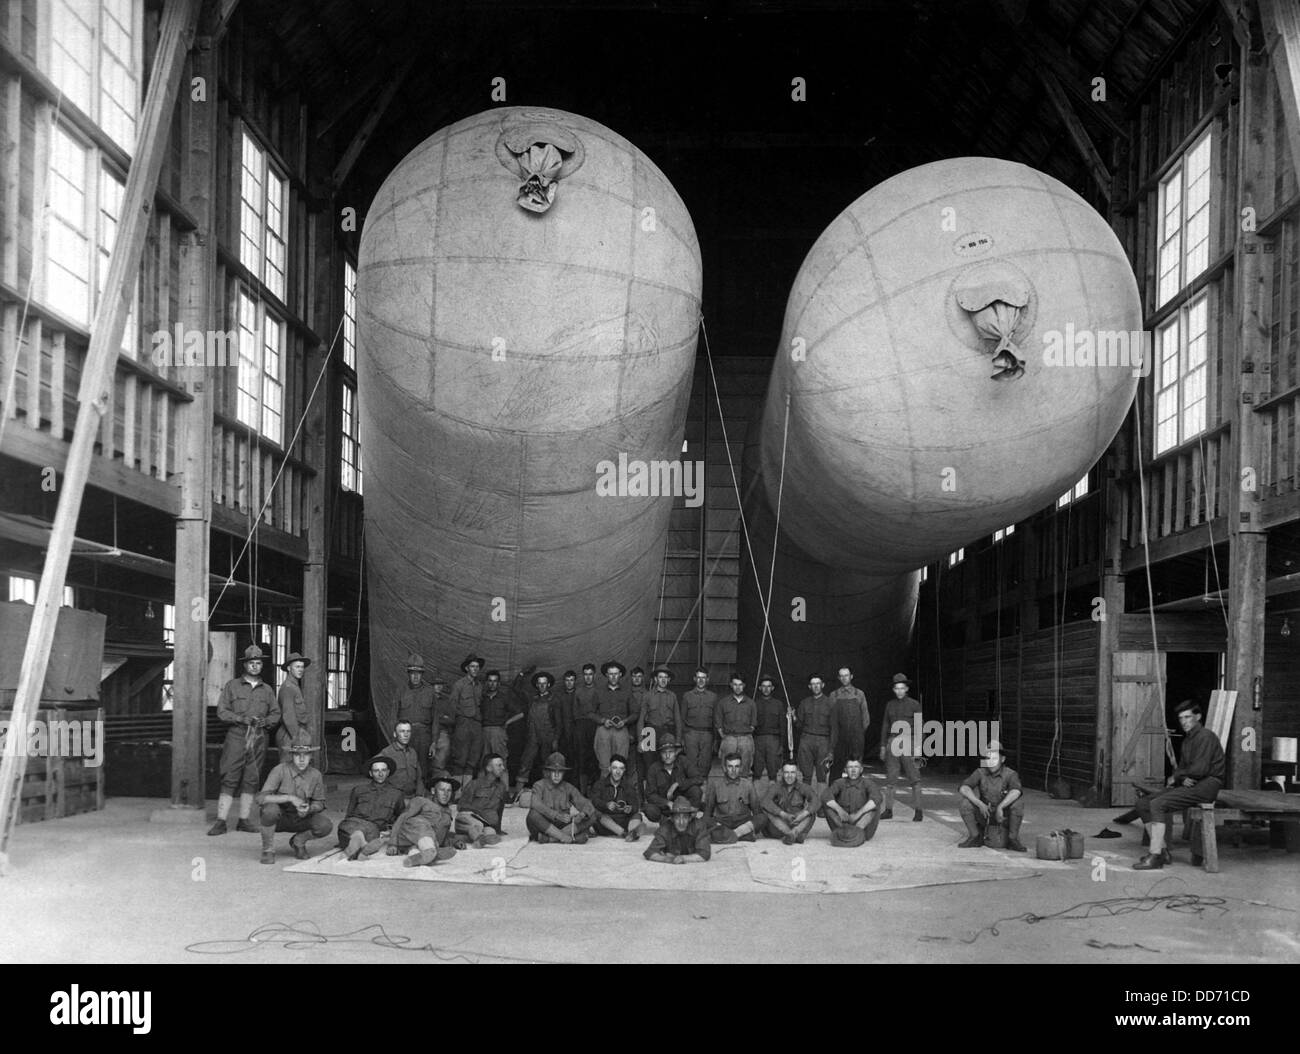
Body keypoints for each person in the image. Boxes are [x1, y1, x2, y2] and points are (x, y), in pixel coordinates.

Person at [1133, 700, 1225, 870]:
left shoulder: (1205, 736)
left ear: (1198, 717)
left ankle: (1155, 856)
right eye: (1181, 718)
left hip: (1207, 786)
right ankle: (1163, 850)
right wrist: (1182, 778)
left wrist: (1180, 776)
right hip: (1194, 784)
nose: (1184, 721)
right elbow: (1185, 770)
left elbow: (1199, 769)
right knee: (1142, 804)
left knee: (1157, 804)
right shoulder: (1188, 740)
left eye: (1188, 717)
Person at [209, 645, 281, 836]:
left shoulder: (267, 690)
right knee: (229, 774)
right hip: (237, 734)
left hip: (259, 736)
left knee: (252, 777)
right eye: (252, 663)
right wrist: (241, 719)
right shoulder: (232, 686)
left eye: (258, 663)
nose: (255, 666)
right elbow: (222, 711)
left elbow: (276, 713)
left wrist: (266, 722)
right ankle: (221, 821)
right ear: (245, 665)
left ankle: (244, 820)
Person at [255, 731, 332, 864]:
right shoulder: (280, 770)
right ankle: (268, 849)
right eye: (297, 755)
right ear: (291, 755)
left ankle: (299, 841)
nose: (302, 759)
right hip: (280, 817)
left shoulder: (315, 775)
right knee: (269, 810)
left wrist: (309, 809)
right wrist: (290, 798)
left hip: (301, 817)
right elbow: (260, 798)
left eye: (306, 755)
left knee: (325, 825)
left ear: (311, 756)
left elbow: (320, 802)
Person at [957, 743, 1026, 851]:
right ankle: (975, 836)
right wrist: (979, 803)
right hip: (986, 814)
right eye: (988, 758)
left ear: (1002, 759)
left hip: (1003, 816)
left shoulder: (1011, 774)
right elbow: (964, 788)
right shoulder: (980, 772)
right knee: (965, 803)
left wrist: (1001, 807)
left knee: (1018, 804)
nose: (991, 761)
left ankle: (1013, 839)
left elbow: (1016, 791)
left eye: (995, 758)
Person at [338, 755, 406, 860]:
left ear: (388, 772)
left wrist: (393, 841)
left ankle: (357, 846)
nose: (380, 774)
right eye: (376, 771)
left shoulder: (396, 794)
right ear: (371, 773)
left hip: (373, 830)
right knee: (351, 829)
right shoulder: (358, 790)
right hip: (352, 825)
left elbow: (401, 820)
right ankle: (359, 843)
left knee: (370, 834)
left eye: (383, 770)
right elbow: (349, 815)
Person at [525, 752, 597, 844]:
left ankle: (550, 839)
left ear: (564, 773)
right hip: (544, 824)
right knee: (533, 814)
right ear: (548, 772)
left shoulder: (568, 787)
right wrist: (557, 815)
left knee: (592, 815)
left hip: (562, 825)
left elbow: (586, 803)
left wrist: (582, 814)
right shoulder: (539, 785)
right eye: (553, 771)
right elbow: (535, 803)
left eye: (560, 772)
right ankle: (565, 837)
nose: (556, 775)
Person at [389, 774, 461, 866]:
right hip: (407, 835)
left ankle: (415, 858)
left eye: (449, 790)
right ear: (433, 791)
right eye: (442, 790)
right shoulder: (421, 801)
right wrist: (392, 843)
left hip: (417, 843)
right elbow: (402, 818)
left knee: (415, 848)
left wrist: (455, 842)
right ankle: (430, 850)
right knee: (421, 822)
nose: (445, 794)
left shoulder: (447, 813)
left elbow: (442, 835)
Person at [879, 672, 923, 821]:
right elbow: (885, 725)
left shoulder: (915, 704)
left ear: (906, 689)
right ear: (893, 689)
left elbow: (919, 727)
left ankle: (918, 811)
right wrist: (883, 746)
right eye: (896, 688)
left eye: (902, 688)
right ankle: (888, 810)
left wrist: (918, 749)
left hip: (909, 742)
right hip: (893, 742)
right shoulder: (889, 705)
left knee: (914, 778)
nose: (899, 691)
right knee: (891, 779)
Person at [514, 670, 561, 797]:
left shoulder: (554, 700)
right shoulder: (531, 698)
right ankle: (517, 794)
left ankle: (548, 795)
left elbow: (558, 722)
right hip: (533, 735)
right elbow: (517, 689)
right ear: (536, 685)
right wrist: (522, 674)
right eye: (539, 683)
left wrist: (555, 739)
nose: (542, 686)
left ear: (549, 685)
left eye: (544, 683)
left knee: (547, 764)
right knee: (526, 762)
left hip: (548, 736)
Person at [820, 756, 882, 847]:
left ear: (861, 769)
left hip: (862, 825)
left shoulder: (868, 783)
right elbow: (825, 796)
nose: (853, 770)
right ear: (845, 770)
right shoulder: (839, 783)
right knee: (827, 805)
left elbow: (877, 797)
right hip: (843, 823)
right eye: (850, 767)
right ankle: (842, 831)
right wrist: (840, 810)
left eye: (856, 767)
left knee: (875, 805)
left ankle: (857, 831)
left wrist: (858, 814)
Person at [703, 752, 766, 843]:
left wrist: (750, 825)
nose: (733, 770)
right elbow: (708, 813)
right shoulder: (715, 785)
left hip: (742, 823)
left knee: (762, 817)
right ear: (725, 768)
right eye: (730, 766)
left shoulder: (748, 785)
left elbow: (757, 812)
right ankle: (742, 836)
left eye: (736, 766)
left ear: (740, 768)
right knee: (704, 820)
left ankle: (731, 835)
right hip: (723, 824)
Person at [396, 653, 437, 783]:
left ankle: (421, 796)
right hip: (405, 735)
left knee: (423, 768)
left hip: (424, 735)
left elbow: (436, 719)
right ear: (408, 673)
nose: (415, 676)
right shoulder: (400, 691)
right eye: (412, 673)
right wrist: (395, 738)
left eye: (418, 673)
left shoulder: (430, 692)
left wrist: (434, 742)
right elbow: (393, 716)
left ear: (422, 674)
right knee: (405, 766)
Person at [642, 734, 703, 822]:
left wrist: (678, 784)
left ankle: (689, 819)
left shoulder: (683, 761)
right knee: (649, 809)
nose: (667, 756)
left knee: (696, 790)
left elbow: (698, 778)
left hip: (682, 807)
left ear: (675, 752)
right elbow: (650, 795)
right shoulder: (653, 768)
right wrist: (667, 803)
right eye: (664, 752)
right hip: (665, 808)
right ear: (660, 754)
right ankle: (666, 822)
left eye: (670, 752)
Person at [637, 666, 681, 783]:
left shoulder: (673, 696)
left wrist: (678, 740)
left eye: (666, 677)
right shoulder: (647, 695)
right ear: (655, 679)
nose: (663, 680)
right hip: (650, 732)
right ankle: (649, 794)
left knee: (667, 761)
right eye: (660, 677)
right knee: (649, 763)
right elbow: (641, 719)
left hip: (667, 731)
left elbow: (677, 719)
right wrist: (640, 740)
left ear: (669, 680)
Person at [456, 754, 507, 848]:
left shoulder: (502, 786)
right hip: (468, 818)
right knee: (475, 825)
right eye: (499, 765)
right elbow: (461, 806)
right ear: (488, 768)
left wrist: (498, 829)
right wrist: (480, 812)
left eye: (502, 765)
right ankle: (479, 838)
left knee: (491, 832)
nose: (503, 768)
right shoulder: (474, 784)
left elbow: (500, 808)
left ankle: (476, 838)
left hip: (485, 823)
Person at [449, 653, 485, 785]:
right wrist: (463, 716)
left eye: (477, 667)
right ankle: (457, 792)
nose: (475, 669)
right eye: (472, 666)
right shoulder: (459, 685)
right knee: (460, 758)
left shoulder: (480, 686)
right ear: (466, 669)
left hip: (477, 725)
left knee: (473, 758)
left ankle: (467, 790)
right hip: (463, 724)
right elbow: (452, 705)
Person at [480, 669, 524, 776]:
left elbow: (521, 714)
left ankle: (504, 790)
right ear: (486, 683)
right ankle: (483, 790)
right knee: (484, 761)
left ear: (499, 683)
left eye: (495, 681)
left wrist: (508, 722)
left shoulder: (504, 697)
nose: (492, 684)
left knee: (500, 762)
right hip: (483, 731)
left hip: (498, 732)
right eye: (490, 681)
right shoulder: (482, 697)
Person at [828, 667, 869, 782]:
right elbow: (831, 720)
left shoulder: (859, 694)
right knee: (836, 770)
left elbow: (866, 719)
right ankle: (833, 796)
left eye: (846, 675)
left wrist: (858, 734)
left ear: (851, 676)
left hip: (856, 739)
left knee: (855, 769)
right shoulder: (834, 695)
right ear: (838, 678)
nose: (844, 678)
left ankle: (857, 796)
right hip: (839, 739)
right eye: (841, 676)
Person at [594, 660, 634, 776]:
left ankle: (620, 793)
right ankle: (605, 792)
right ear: (606, 675)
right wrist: (602, 721)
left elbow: (635, 712)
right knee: (605, 766)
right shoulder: (599, 692)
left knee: (620, 765)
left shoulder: (627, 693)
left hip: (621, 731)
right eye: (611, 674)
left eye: (616, 673)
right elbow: (590, 712)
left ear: (620, 674)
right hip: (603, 731)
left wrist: (625, 721)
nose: (613, 677)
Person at [643, 797, 712, 864]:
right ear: (672, 819)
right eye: (677, 818)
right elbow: (650, 852)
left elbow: (704, 854)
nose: (681, 822)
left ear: (690, 818)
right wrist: (668, 859)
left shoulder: (699, 826)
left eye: (685, 817)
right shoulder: (665, 828)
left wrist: (682, 858)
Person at [763, 762, 819, 844]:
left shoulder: (803, 787)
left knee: (811, 812)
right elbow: (765, 801)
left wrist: (803, 815)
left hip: (796, 822)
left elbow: (816, 800)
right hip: (779, 825)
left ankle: (792, 834)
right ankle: (794, 834)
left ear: (797, 774)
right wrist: (783, 814)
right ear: (782, 773)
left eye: (792, 772)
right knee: (765, 810)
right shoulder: (776, 787)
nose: (789, 776)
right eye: (786, 772)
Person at [590, 755, 644, 841]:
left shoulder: (629, 786)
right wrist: (606, 805)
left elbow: (635, 806)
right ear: (609, 769)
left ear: (624, 770)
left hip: (623, 819)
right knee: (597, 815)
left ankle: (631, 831)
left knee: (638, 815)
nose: (618, 772)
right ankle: (625, 834)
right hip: (606, 821)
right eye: (615, 768)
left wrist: (630, 808)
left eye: (621, 768)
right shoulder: (600, 784)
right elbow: (594, 801)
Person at [714, 673, 757, 779]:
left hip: (745, 738)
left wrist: (745, 734)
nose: (738, 687)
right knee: (728, 766)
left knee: (745, 766)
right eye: (735, 684)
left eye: (740, 684)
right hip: (729, 738)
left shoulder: (751, 703)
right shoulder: (723, 703)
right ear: (731, 685)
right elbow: (718, 723)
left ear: (744, 685)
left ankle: (743, 788)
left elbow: (753, 724)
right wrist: (724, 737)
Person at [795, 675, 835, 785]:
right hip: (806, 740)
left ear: (822, 685)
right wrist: (793, 718)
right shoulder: (804, 703)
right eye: (813, 684)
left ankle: (821, 801)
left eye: (818, 683)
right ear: (809, 686)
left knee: (822, 774)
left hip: (824, 741)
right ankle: (806, 800)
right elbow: (799, 725)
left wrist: (831, 750)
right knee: (806, 774)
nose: (816, 686)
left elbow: (834, 728)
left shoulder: (830, 703)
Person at [680, 667, 718, 779]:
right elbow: (682, 718)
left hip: (707, 734)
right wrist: (682, 737)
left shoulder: (713, 697)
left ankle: (704, 788)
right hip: (691, 733)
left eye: (703, 678)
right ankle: (692, 789)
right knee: (691, 762)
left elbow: (716, 719)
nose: (701, 680)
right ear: (694, 679)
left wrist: (715, 739)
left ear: (707, 680)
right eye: (698, 678)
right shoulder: (687, 696)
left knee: (705, 762)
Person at [752, 673, 789, 782]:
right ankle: (755, 797)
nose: (766, 689)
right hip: (758, 740)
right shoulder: (754, 703)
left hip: (774, 740)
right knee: (756, 771)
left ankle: (774, 798)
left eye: (769, 686)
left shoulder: (778, 704)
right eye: (764, 686)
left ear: (772, 688)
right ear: (759, 688)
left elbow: (783, 726)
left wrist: (782, 745)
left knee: (773, 772)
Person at [275, 652, 312, 752]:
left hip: (296, 732)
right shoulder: (288, 687)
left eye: (302, 667)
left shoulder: (294, 686)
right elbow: (288, 717)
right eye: (297, 667)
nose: (301, 670)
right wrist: (297, 738)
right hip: (290, 735)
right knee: (288, 765)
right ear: (289, 668)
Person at [379, 720, 427, 798]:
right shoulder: (386, 753)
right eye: (402, 731)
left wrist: (419, 796)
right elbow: (377, 778)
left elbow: (419, 777)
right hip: (395, 799)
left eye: (408, 731)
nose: (406, 734)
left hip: (414, 797)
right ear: (395, 734)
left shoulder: (413, 752)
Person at [573, 663, 602, 793]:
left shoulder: (599, 691)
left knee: (596, 757)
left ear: (594, 675)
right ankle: (583, 791)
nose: (588, 677)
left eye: (590, 674)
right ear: (583, 676)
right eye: (586, 674)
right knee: (581, 757)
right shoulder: (578, 691)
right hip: (581, 726)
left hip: (595, 726)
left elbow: (601, 710)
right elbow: (575, 711)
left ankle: (595, 790)